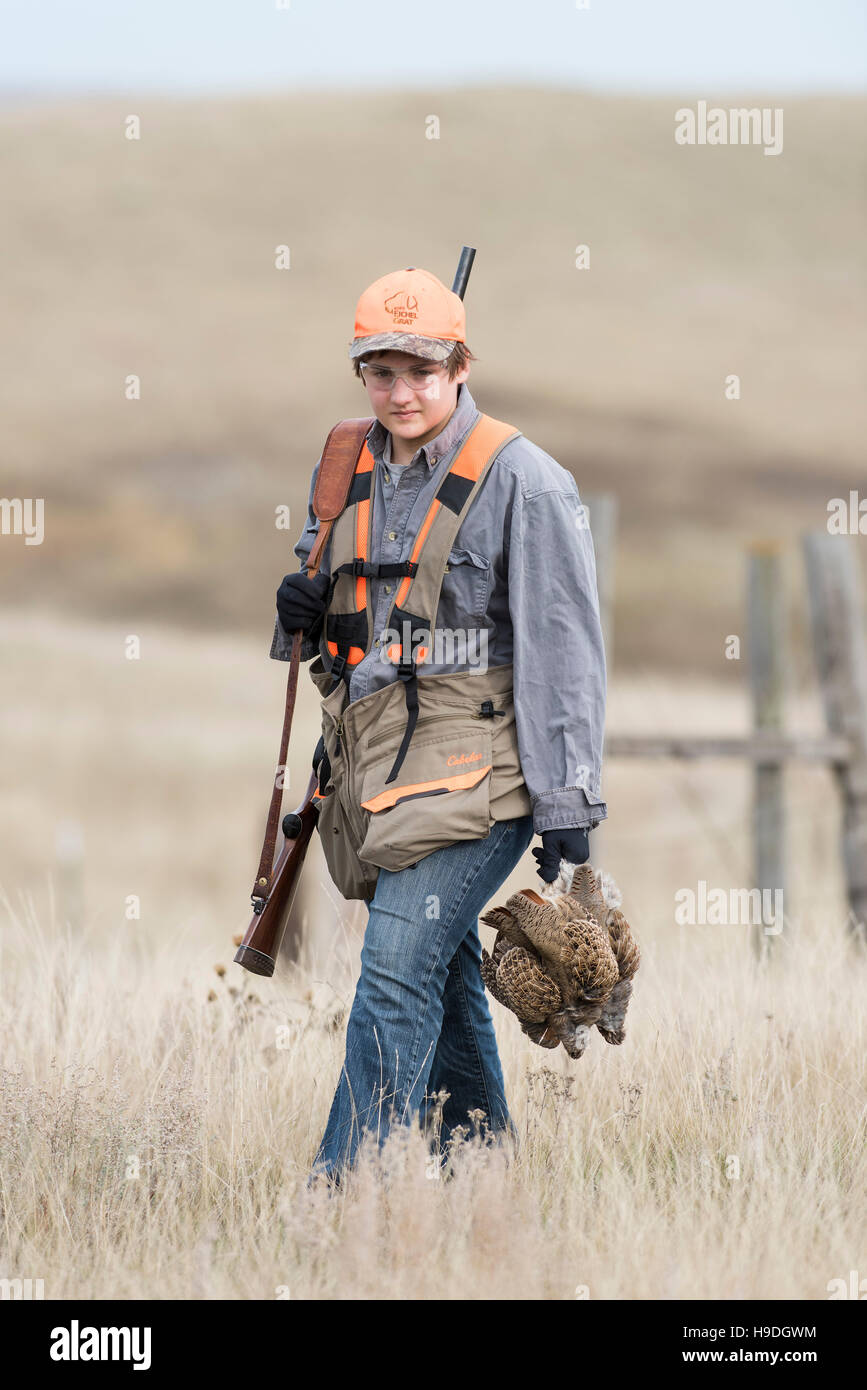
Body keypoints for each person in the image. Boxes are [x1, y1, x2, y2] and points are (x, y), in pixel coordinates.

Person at [270, 265, 608, 1185]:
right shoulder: (348, 459)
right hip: (374, 767)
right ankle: (479, 1174)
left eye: (420, 369)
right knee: (442, 971)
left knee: (391, 974)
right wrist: (297, 605)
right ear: (361, 375)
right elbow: (326, 616)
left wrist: (566, 801)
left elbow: (563, 649)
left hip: (481, 773)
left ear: (459, 366)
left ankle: (339, 1195)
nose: (400, 391)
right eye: (381, 371)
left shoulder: (526, 480)